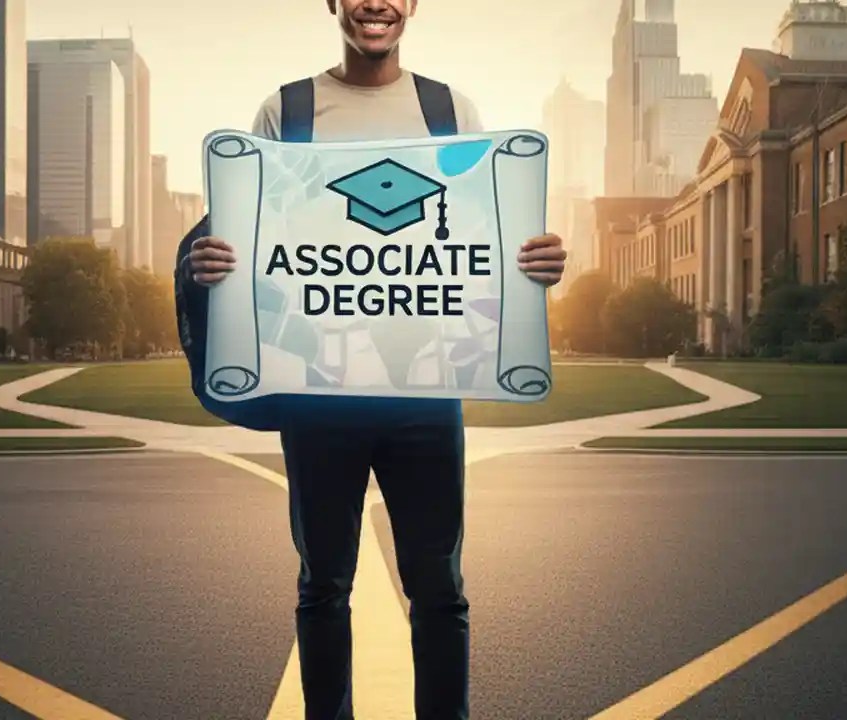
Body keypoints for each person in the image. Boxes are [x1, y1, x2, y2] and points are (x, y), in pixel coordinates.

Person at [184, 1, 566, 717]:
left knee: (439, 588)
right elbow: (252, 245)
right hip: (317, 389)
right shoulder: (286, 110)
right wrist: (212, 261)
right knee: (324, 584)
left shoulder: (450, 110)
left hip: (425, 389)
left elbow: (483, 242)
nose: (375, 3)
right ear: (331, 2)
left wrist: (533, 262)